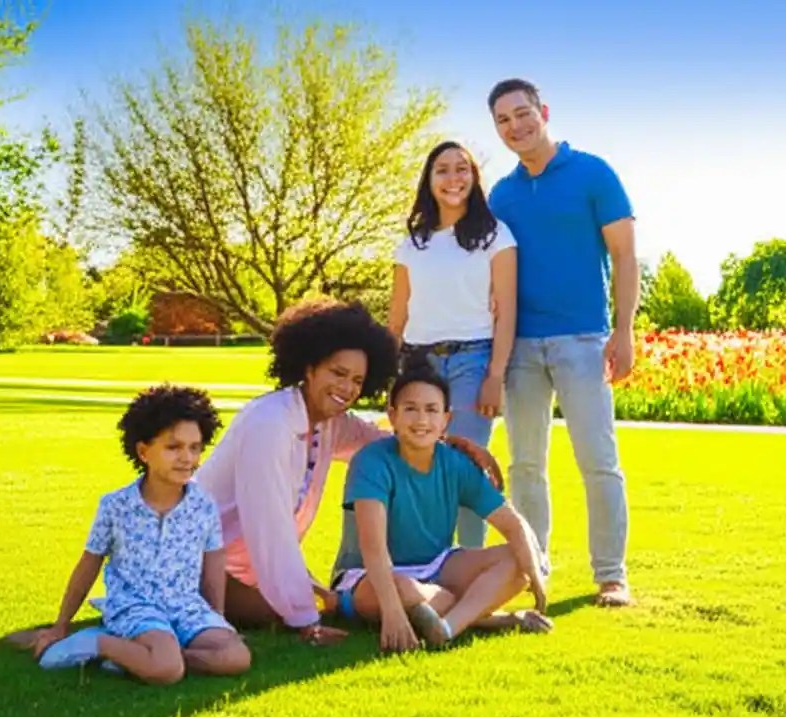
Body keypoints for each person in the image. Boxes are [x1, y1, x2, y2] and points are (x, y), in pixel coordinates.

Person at [191, 297, 503, 646]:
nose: (347, 389)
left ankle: (472, 617)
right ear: (308, 367)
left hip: (245, 569)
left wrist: (454, 445)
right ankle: (477, 617)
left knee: (326, 603)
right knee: (311, 608)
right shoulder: (270, 423)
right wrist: (305, 621)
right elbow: (270, 528)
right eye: (337, 373)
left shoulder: (331, 424)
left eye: (357, 380)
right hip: (196, 562)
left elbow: (394, 440)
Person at [484, 77, 639, 607]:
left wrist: (623, 330)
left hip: (583, 340)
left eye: (523, 113)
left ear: (543, 111)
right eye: (503, 120)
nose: (515, 126)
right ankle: (535, 566)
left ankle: (611, 576)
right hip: (522, 348)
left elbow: (623, 256)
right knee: (525, 466)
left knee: (598, 461)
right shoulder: (501, 195)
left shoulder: (593, 173)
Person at [31, 384, 250, 684]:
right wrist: (60, 625)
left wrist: (217, 617)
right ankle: (100, 643)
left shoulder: (203, 504)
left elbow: (213, 562)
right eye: (173, 447)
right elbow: (89, 564)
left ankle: (140, 658)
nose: (187, 458)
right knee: (166, 672)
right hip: (135, 607)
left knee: (236, 657)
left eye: (195, 447)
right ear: (144, 452)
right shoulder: (115, 506)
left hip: (185, 606)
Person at [331, 356, 551, 653]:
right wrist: (394, 613)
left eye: (432, 410)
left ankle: (445, 628)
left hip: (439, 566)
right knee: (404, 589)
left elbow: (513, 524)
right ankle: (486, 618)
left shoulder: (456, 462)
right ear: (392, 415)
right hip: (370, 574)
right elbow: (373, 548)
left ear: (446, 419)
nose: (421, 420)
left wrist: (534, 576)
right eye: (410, 409)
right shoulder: (371, 462)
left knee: (520, 557)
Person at [388, 139, 517, 549]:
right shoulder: (412, 244)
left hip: (472, 359)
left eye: (462, 169)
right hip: (417, 363)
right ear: (429, 179)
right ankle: (417, 561)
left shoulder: (495, 236)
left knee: (465, 464)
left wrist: (495, 374)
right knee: (415, 463)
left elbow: (507, 311)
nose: (452, 178)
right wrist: (385, 373)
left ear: (474, 178)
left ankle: (469, 561)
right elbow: (398, 315)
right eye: (442, 169)